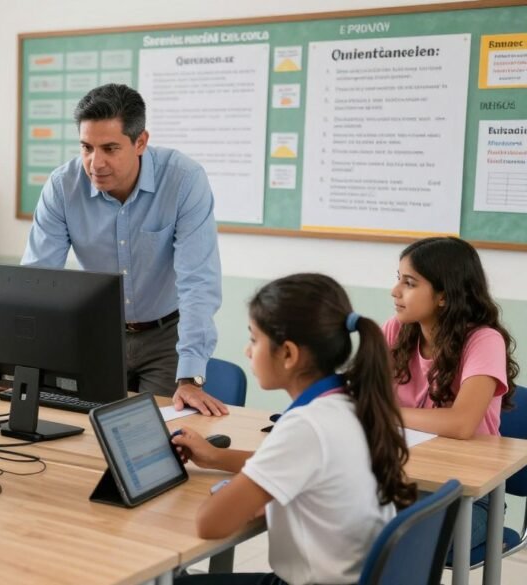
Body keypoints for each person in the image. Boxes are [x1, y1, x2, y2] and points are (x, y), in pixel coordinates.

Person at [174, 273, 416, 585]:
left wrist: (245, 495)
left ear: (288, 353)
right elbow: (290, 462)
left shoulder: (307, 426)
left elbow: (210, 524)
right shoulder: (349, 402)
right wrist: (215, 457)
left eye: (254, 339)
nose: (248, 352)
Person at [21, 83, 226, 415]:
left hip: (165, 338)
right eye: (86, 147)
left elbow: (198, 281)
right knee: (87, 435)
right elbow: (35, 282)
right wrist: (13, 364)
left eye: (110, 148)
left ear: (141, 142)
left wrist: (190, 377)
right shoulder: (62, 187)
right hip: (100, 334)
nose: (95, 163)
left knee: (156, 438)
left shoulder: (184, 180)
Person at [385, 236, 519, 551]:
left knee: (395, 546)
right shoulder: (396, 330)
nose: (395, 291)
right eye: (398, 279)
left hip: (470, 498)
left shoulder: (484, 341)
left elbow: (461, 424)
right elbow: (361, 394)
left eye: (409, 283)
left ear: (444, 296)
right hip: (404, 484)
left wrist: (386, 411)